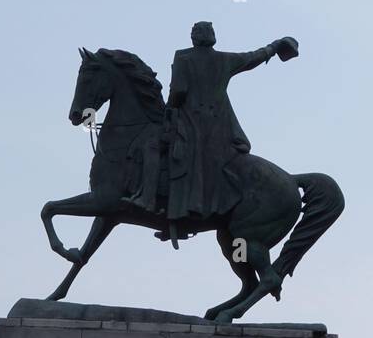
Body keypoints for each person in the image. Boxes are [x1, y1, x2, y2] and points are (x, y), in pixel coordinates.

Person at [127, 22, 297, 237]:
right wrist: (275, 46)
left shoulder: (183, 57)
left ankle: (156, 205)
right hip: (221, 127)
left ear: (193, 38)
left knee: (163, 151)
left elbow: (179, 91)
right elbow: (252, 57)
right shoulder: (224, 59)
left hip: (190, 121)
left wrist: (169, 108)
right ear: (212, 38)